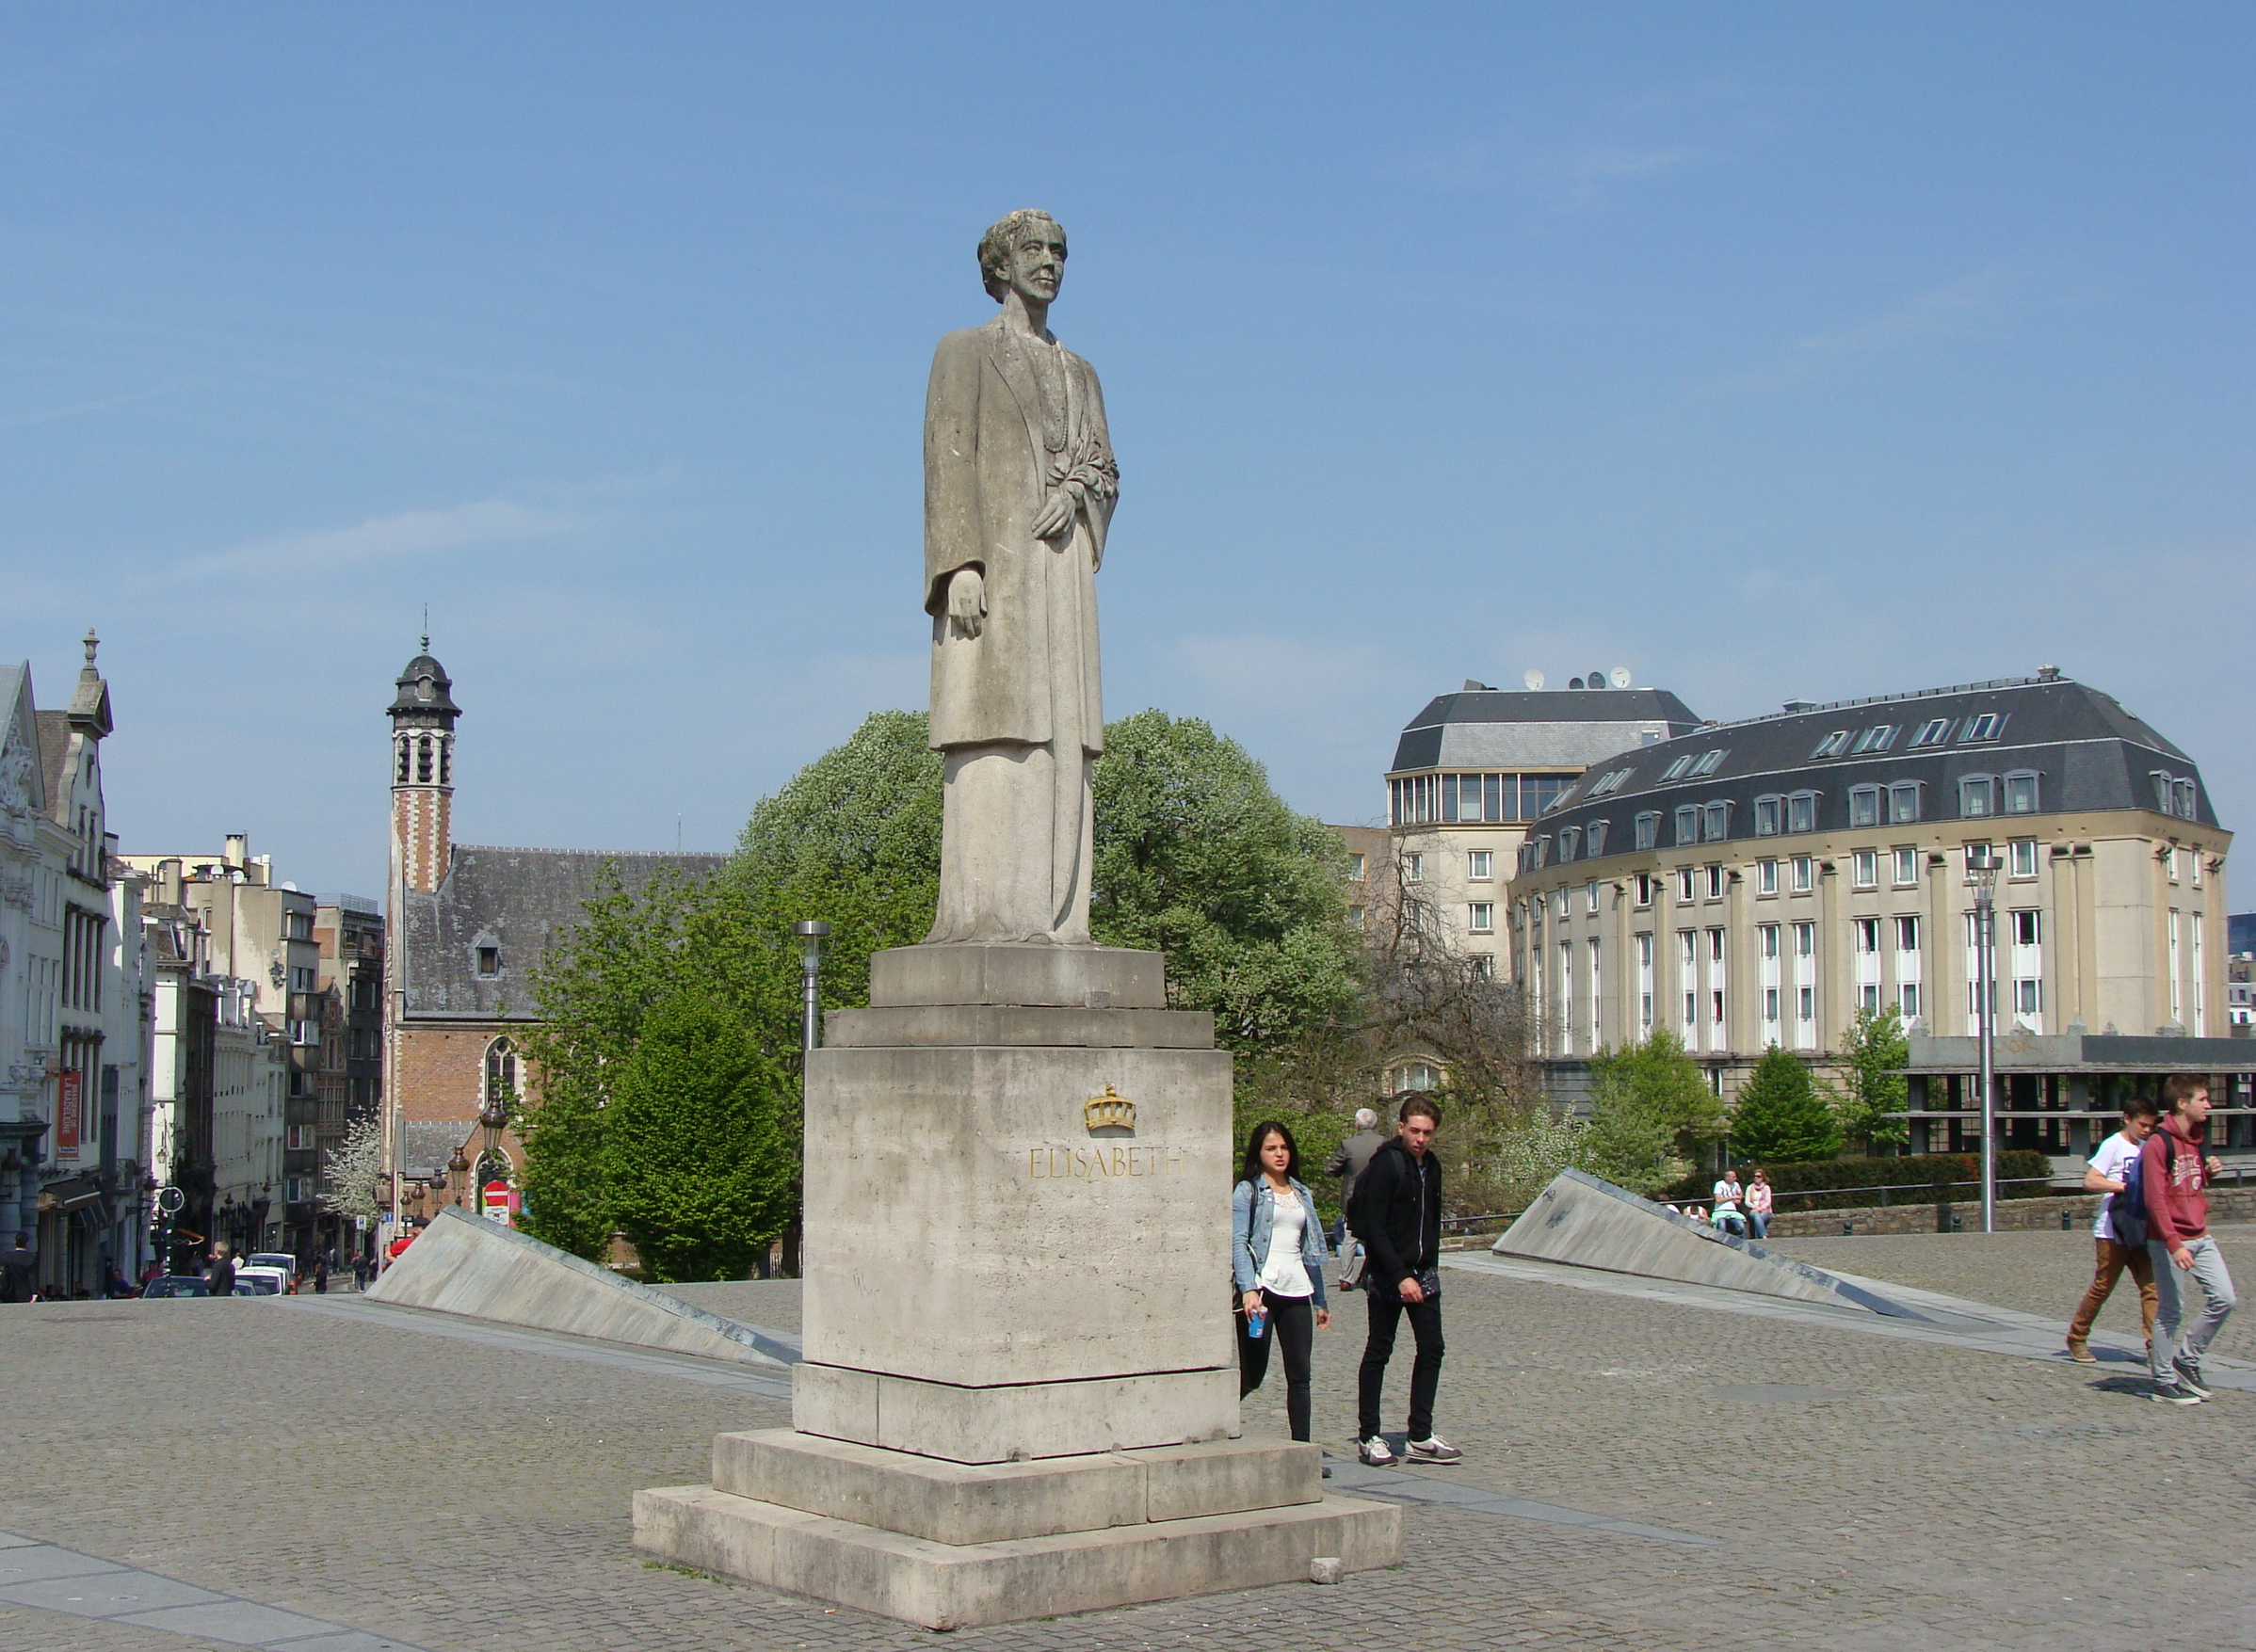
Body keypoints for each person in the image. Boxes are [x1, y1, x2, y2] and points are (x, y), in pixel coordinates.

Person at [922, 209, 1120, 945]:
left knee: (1061, 731)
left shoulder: (1081, 372)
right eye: (1033, 248)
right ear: (1000, 264)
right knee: (997, 727)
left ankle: (1058, 919)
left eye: (1059, 251)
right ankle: (987, 916)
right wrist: (960, 565)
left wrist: (1078, 492)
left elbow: (1106, 468)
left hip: (1061, 575)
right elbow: (949, 459)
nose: (1049, 261)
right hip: (997, 574)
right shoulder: (964, 351)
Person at [1350, 1096, 1459, 1467]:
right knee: (1379, 1350)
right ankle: (1369, 1435)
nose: (1420, 1139)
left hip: (1423, 1271)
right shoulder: (1388, 1163)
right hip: (1388, 1272)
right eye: (1414, 1131)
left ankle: (1420, 1434)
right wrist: (1399, 1275)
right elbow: (1374, 1226)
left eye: (1427, 1133)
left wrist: (1427, 1266)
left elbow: (1431, 1221)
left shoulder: (1432, 1166)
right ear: (1401, 1128)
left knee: (1432, 1348)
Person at [1232, 1121, 1331, 1445]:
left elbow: (1310, 1248)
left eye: (1284, 1147)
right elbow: (1238, 1242)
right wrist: (1248, 1288)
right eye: (1271, 1148)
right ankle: (1209, 1422)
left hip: (1297, 1290)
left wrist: (1320, 1300)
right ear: (1258, 1153)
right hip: (1262, 1293)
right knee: (1253, 1373)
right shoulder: (1248, 1191)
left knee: (1300, 1376)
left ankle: (1302, 1450)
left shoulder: (1301, 1192)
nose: (1279, 1154)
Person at [2143, 1075, 2236, 1403]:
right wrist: (2173, 1243)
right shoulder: (2158, 1143)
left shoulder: (2197, 1138)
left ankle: (2186, 1360)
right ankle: (2162, 1381)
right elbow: (2155, 1199)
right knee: (2171, 1310)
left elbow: (2188, 1185)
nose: (2209, 1105)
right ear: (2182, 1103)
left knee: (2224, 1298)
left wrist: (2208, 1172)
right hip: (2169, 1238)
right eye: (2203, 1099)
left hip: (2200, 1233)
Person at [2063, 1096, 2161, 1363]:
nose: (2147, 1130)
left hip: (2139, 1228)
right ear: (2127, 1119)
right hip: (2111, 1229)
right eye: (2143, 1125)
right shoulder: (2112, 1145)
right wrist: (2124, 1187)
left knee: (2152, 1288)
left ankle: (2155, 1348)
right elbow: (2091, 1181)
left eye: (2151, 1126)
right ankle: (2077, 1336)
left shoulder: (2146, 1148)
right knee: (2103, 1286)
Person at [1324, 1109, 1386, 1250]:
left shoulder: (1348, 1145)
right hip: (1380, 1197)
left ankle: (1346, 1266)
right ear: (1375, 1125)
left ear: (1356, 1125)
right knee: (1379, 1236)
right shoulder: (1384, 1143)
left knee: (1350, 1239)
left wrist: (1345, 1169)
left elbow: (1330, 1170)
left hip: (1353, 1199)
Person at [1712, 1169, 1748, 1238]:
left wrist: (1739, 1199)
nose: (1735, 1179)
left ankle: (1744, 1241)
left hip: (1732, 1211)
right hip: (1720, 1210)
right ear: (1727, 1177)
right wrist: (1731, 1198)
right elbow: (1718, 1200)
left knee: (1741, 1225)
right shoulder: (1719, 1184)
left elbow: (1740, 1193)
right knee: (1722, 1225)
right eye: (1733, 1177)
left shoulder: (1736, 1184)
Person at [1745, 1170, 1774, 1241]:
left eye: (1758, 1176)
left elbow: (1768, 1201)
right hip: (1753, 1210)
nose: (1756, 1178)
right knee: (1756, 1215)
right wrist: (1755, 1207)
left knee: (1758, 1218)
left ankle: (1757, 1237)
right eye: (1754, 1176)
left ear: (1762, 1178)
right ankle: (1763, 1235)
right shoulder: (1750, 1187)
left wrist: (1761, 1208)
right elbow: (1747, 1202)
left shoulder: (1766, 1188)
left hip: (1765, 1210)